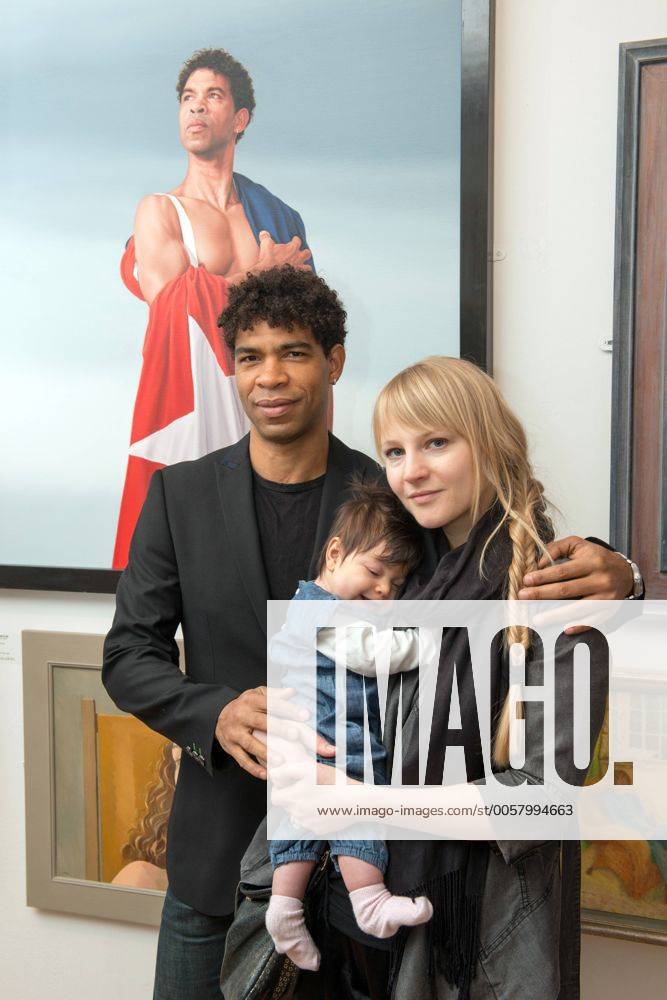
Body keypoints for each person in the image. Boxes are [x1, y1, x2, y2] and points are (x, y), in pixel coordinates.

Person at [102, 266, 638, 1000]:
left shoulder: (403, 514)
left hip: (406, 898)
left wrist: (628, 578)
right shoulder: (190, 496)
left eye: (292, 352)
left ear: (332, 363)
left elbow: (544, 780)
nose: (411, 471)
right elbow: (129, 655)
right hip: (243, 856)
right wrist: (221, 713)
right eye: (250, 357)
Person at [269, 354, 613, 998]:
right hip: (360, 933)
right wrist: (289, 734)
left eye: (435, 442)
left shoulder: (562, 599)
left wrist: (355, 796)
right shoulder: (403, 586)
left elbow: (534, 803)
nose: (411, 471)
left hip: (477, 942)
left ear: (491, 444)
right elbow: (331, 690)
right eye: (394, 452)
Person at [112, 47, 314, 569]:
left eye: (213, 97)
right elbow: (173, 303)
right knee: (189, 558)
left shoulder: (277, 217)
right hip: (192, 400)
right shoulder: (160, 210)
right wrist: (264, 275)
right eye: (188, 98)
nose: (196, 108)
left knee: (272, 557)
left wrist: (260, 282)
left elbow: (306, 322)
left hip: (264, 400)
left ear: (239, 119)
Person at [264, 481, 433, 972]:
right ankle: (371, 899)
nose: (383, 590)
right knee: (357, 807)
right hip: (335, 738)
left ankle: (285, 907)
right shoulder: (323, 610)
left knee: (297, 824)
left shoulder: (311, 605)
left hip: (305, 738)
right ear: (335, 554)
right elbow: (369, 655)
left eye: (395, 586)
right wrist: (428, 645)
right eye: (376, 572)